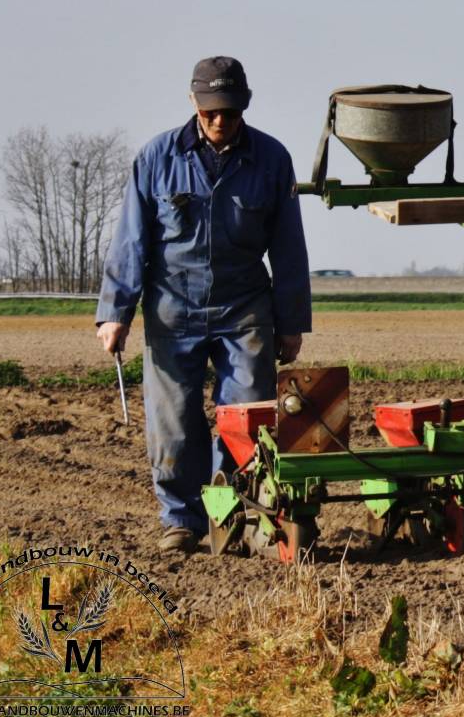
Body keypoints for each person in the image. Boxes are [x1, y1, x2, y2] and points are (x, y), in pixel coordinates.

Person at [97, 57, 311, 554]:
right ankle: (181, 520)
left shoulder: (272, 160)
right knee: (173, 425)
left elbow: (288, 247)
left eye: (230, 112)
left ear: (244, 108)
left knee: (244, 419)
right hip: (174, 307)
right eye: (212, 111)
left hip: (245, 308)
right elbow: (131, 239)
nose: (220, 121)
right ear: (194, 103)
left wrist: (292, 322)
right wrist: (116, 313)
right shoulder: (157, 158)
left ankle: (231, 515)